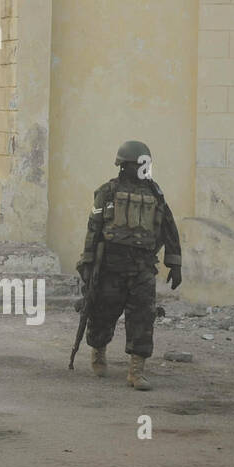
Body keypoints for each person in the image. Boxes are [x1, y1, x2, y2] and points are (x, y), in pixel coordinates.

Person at [77, 139, 182, 391]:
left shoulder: (155, 194)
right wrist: (88, 263)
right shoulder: (107, 192)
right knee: (102, 313)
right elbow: (94, 229)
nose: (143, 169)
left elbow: (169, 228)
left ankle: (136, 371)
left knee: (143, 318)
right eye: (139, 165)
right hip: (110, 267)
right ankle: (98, 351)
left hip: (143, 267)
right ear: (124, 166)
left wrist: (174, 263)